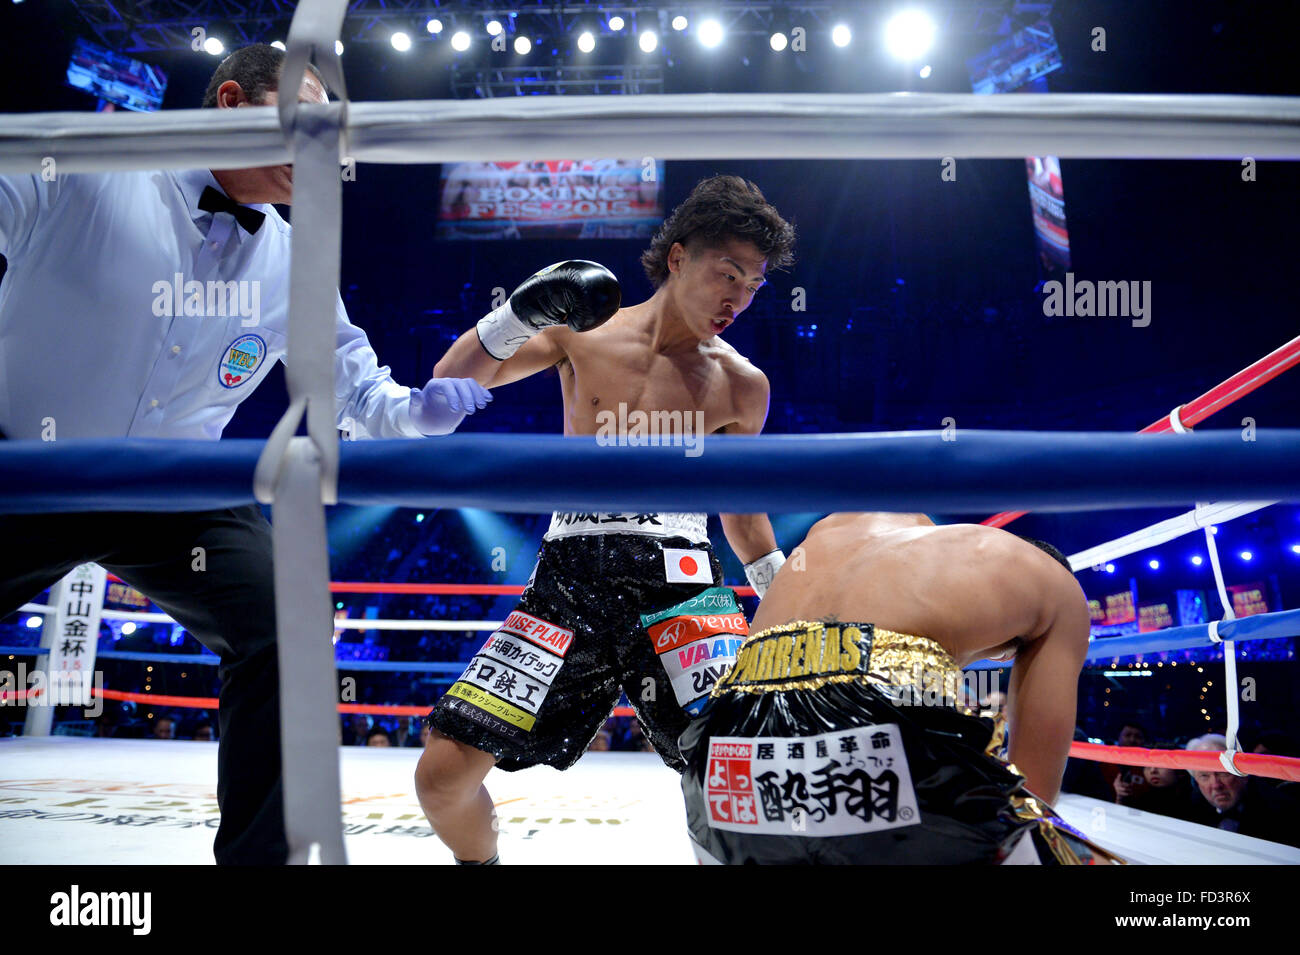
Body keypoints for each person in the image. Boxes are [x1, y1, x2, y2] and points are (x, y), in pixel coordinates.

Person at [0, 44, 490, 864]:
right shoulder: (88, 167)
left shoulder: (298, 261)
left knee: (289, 627)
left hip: (179, 487)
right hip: (27, 467)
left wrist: (420, 414)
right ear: (229, 101)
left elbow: (360, 394)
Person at [415, 175, 797, 864]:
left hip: (683, 581)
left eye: (754, 284)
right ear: (678, 257)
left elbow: (742, 517)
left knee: (738, 768)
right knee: (442, 774)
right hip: (571, 576)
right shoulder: (581, 334)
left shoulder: (744, 384)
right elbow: (450, 383)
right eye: (728, 273)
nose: (738, 297)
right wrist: (519, 312)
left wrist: (788, 600)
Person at [680, 512, 1108, 865]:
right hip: (874, 756)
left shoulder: (840, 526)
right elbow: (1035, 794)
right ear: (1007, 649)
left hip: (720, 779)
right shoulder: (1058, 591)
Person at [1183, 734, 1300, 847]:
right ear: (1196, 782)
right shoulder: (1189, 810)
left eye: (1223, 773)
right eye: (1204, 776)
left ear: (1244, 775)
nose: (1215, 785)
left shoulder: (1282, 813)